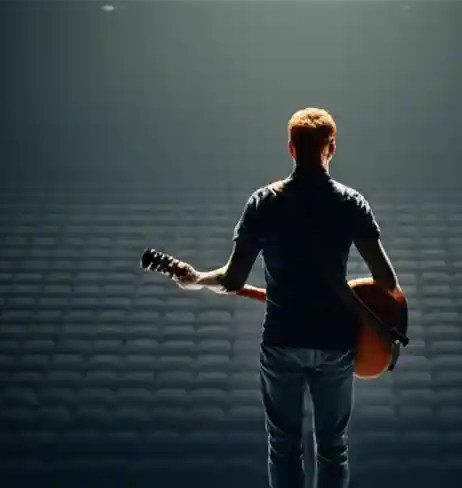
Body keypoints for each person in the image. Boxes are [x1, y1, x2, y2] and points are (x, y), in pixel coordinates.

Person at [173, 106, 403, 488]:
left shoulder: (264, 202)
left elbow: (232, 279)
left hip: (282, 341)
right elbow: (387, 282)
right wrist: (346, 297)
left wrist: (197, 279)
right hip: (334, 343)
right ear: (332, 147)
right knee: (333, 447)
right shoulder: (351, 203)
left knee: (283, 446)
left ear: (292, 149)